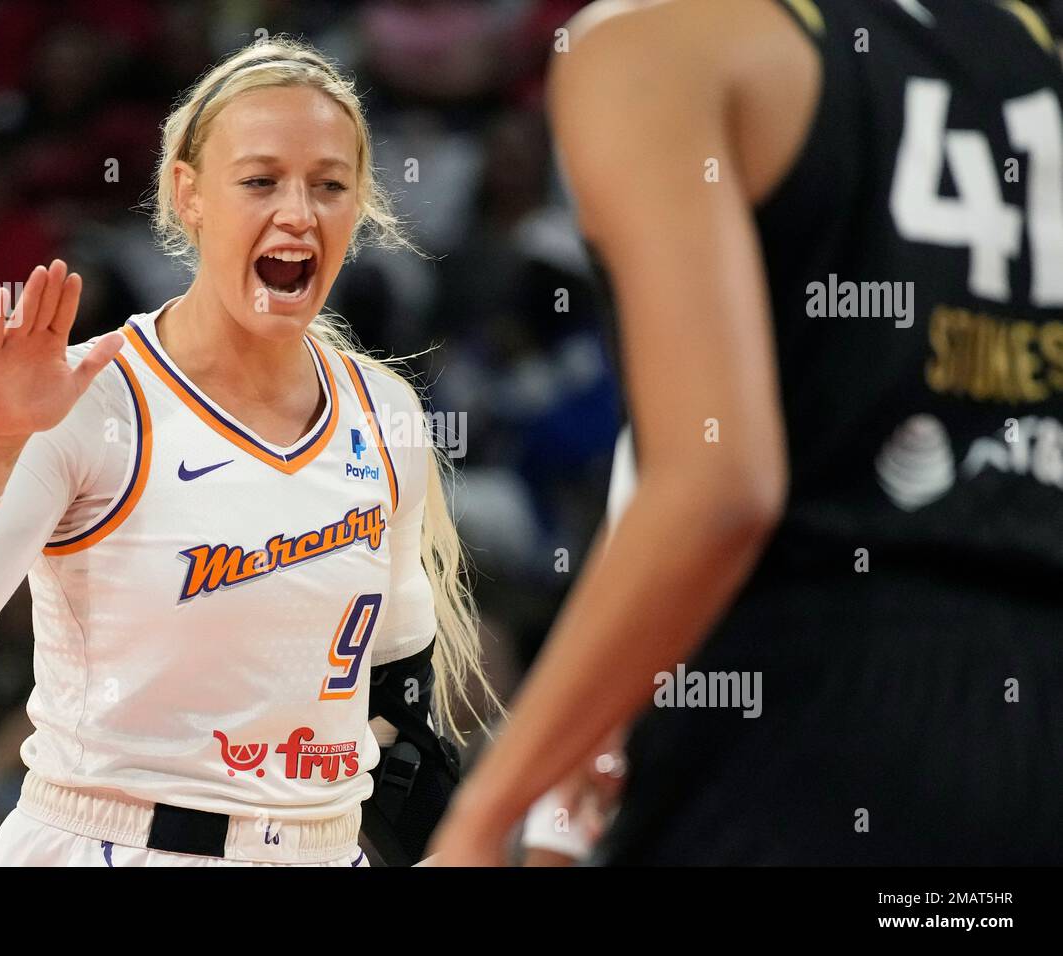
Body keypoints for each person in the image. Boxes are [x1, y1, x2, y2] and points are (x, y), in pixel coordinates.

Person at [430, 0, 1063, 864]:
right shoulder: (1028, 50)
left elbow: (718, 487)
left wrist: (487, 812)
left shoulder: (655, 41)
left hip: (812, 714)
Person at [0, 37, 496, 867]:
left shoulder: (385, 412)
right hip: (112, 843)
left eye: (330, 185)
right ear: (188, 195)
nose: (298, 212)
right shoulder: (95, 398)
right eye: (261, 180)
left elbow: (398, 709)